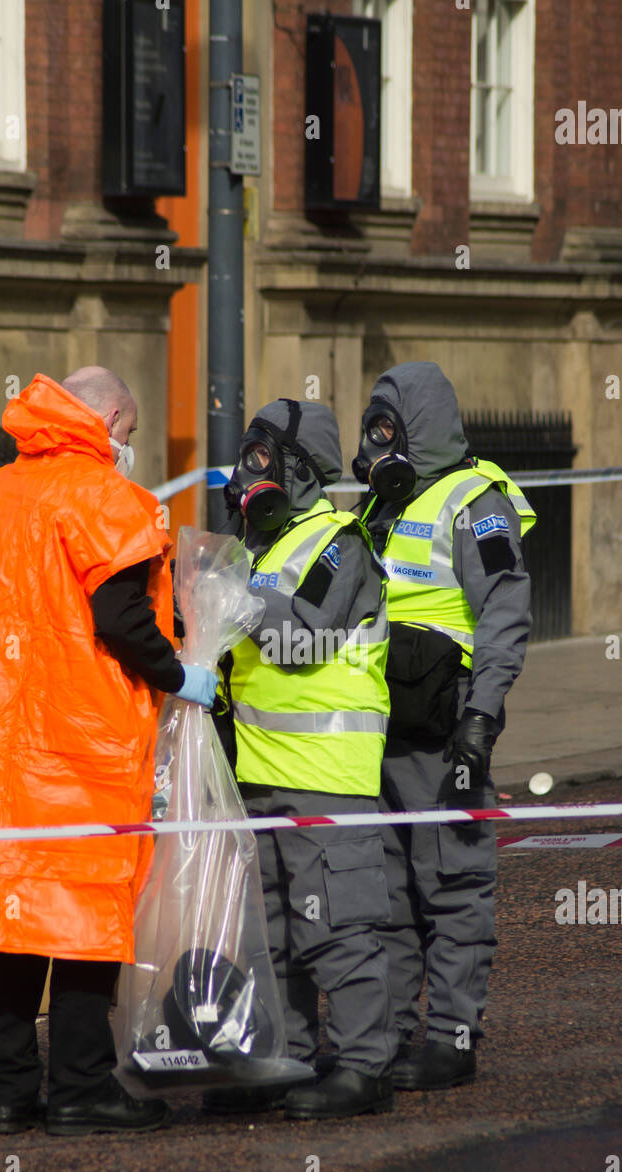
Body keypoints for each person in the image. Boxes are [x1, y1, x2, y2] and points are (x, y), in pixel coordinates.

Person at [0, 368, 217, 1137]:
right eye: (127, 435)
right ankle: (81, 1088)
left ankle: (6, 1093)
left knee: (12, 912)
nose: (127, 448)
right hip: (80, 744)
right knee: (86, 919)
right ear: (115, 418)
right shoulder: (105, 499)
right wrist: (178, 675)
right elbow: (122, 619)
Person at [205, 398, 398, 1120]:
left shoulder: (337, 545)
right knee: (273, 930)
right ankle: (280, 1057)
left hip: (326, 778)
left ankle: (362, 1067)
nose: (245, 475)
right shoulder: (257, 548)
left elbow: (307, 636)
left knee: (338, 929)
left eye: (261, 459)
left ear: (299, 469)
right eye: (245, 458)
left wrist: (234, 600)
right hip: (257, 772)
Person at [352, 362, 536, 1090]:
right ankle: (395, 1034)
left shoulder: (476, 502)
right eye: (372, 430)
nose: (375, 445)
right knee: (391, 891)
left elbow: (505, 614)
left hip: (445, 725)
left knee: (452, 884)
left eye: (386, 430)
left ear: (419, 429)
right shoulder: (380, 509)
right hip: (382, 730)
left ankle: (452, 1039)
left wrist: (479, 723)